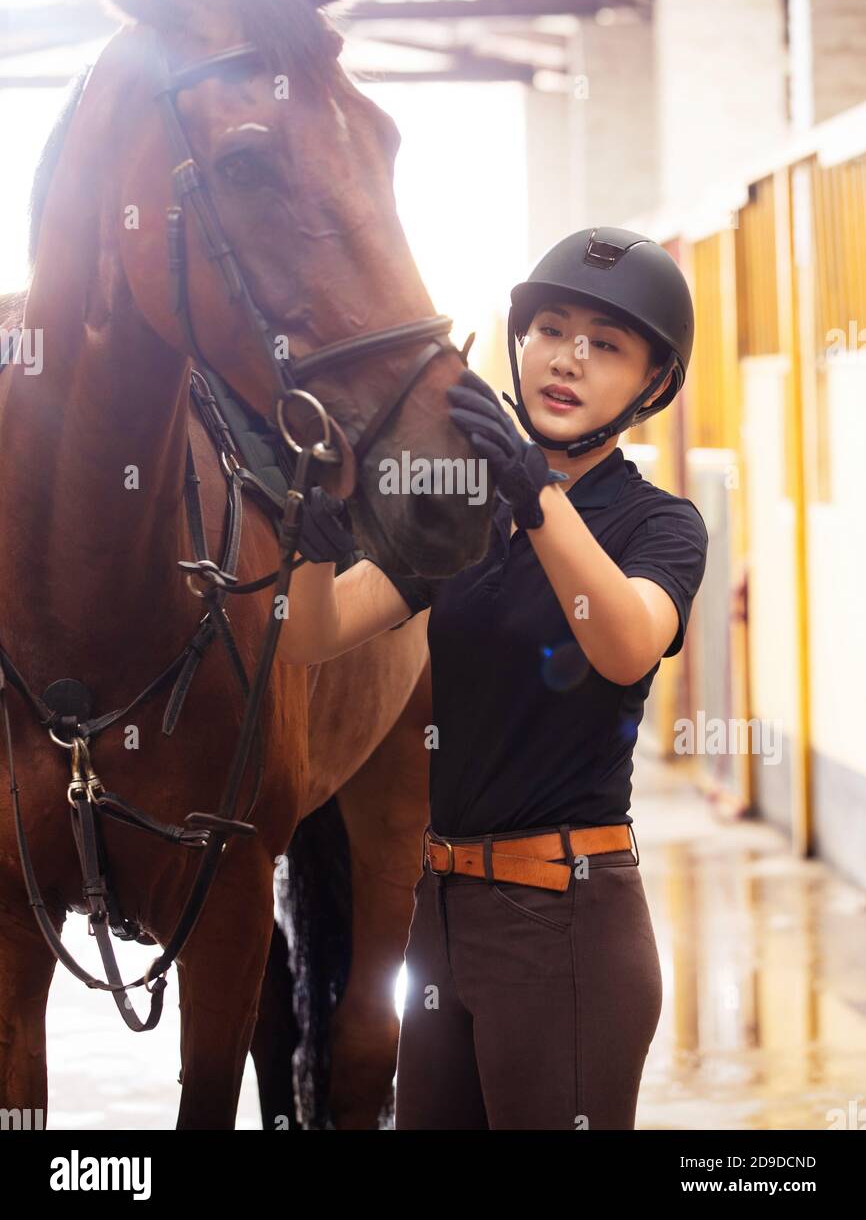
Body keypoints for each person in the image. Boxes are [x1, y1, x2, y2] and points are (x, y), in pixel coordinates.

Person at [279, 226, 709, 1130]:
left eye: (608, 344)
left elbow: (624, 643)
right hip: (439, 913)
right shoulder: (464, 516)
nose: (569, 359)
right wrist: (309, 548)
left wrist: (536, 494)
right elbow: (316, 637)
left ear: (653, 385)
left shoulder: (659, 525)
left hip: (566, 918)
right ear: (518, 342)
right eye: (550, 329)